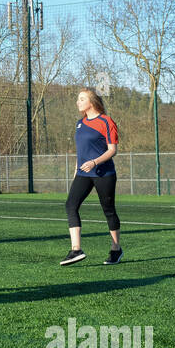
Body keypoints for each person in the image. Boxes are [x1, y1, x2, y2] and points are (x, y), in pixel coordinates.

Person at [62, 87, 122, 265]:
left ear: (92, 102)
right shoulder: (79, 123)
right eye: (78, 99)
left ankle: (116, 249)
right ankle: (76, 250)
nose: (78, 102)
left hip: (104, 174)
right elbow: (80, 152)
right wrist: (76, 172)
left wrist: (95, 162)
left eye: (81, 99)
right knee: (70, 205)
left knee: (108, 210)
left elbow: (113, 150)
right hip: (82, 174)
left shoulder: (106, 121)